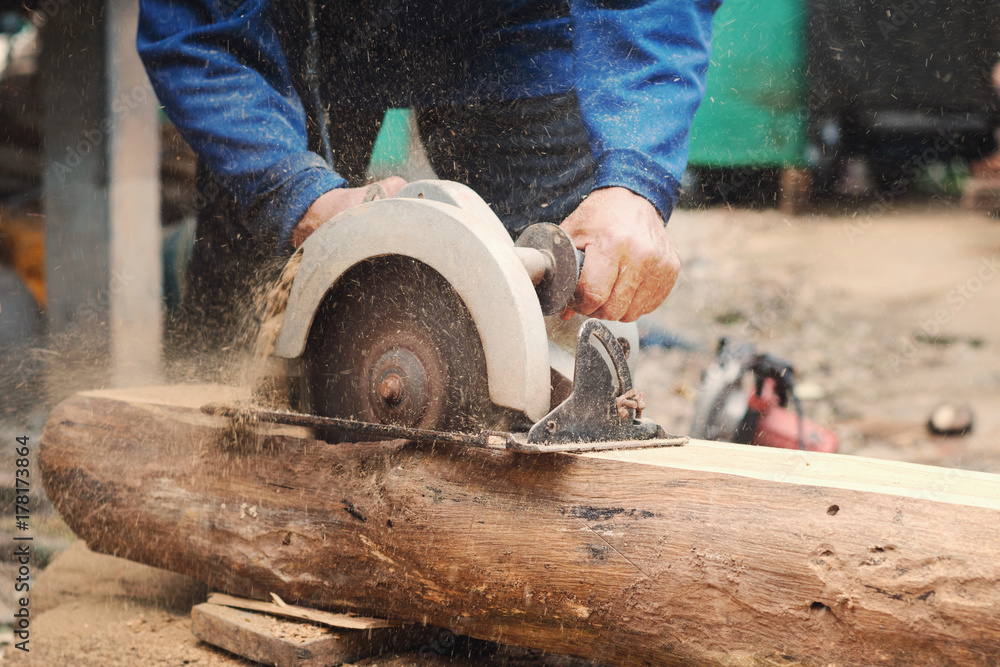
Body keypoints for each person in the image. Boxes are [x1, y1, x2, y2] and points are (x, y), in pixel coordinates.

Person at [137, 0, 720, 350]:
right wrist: (290, 192)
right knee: (239, 347)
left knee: (570, 330)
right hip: (292, 36)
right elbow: (199, 27)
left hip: (520, 29)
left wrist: (634, 179)